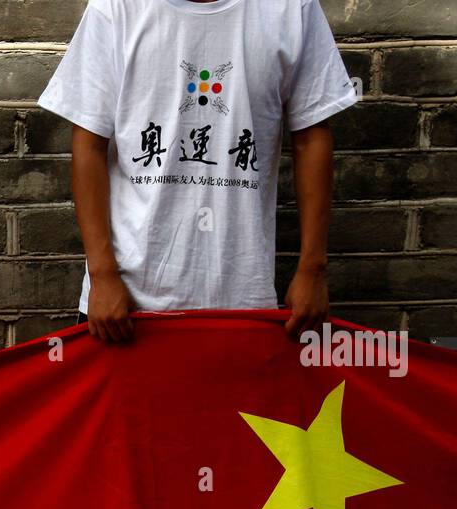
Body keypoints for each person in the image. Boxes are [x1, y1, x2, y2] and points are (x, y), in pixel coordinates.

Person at [38, 0, 357, 342]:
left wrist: (312, 268)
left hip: (243, 300)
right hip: (126, 304)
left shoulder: (291, 8)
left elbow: (312, 137)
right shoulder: (117, 7)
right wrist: (101, 275)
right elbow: (88, 144)